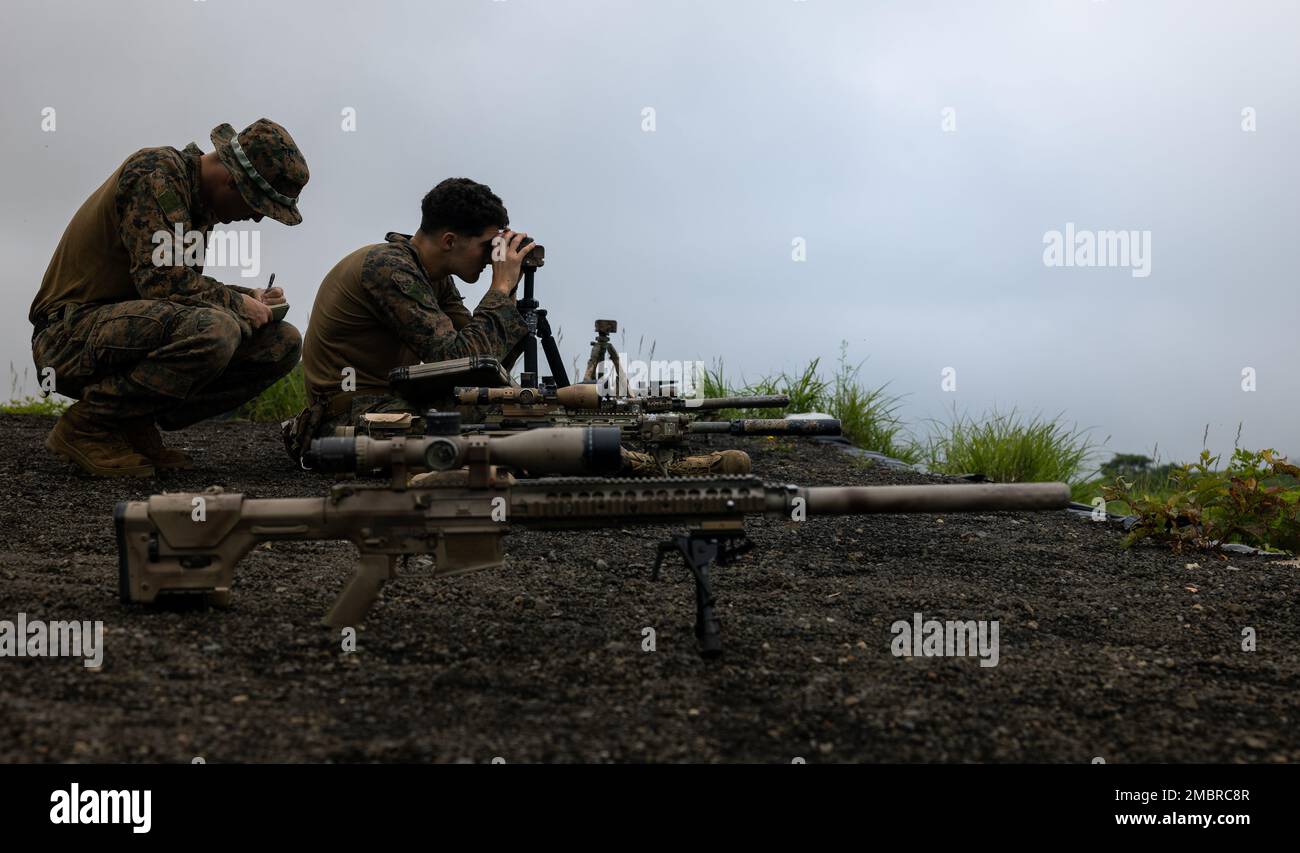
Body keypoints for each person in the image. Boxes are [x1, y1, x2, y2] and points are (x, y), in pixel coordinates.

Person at [31, 118, 308, 477]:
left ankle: (133, 420)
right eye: (258, 206)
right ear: (231, 181)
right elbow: (162, 284)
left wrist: (249, 295)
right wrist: (239, 305)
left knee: (282, 341)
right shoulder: (156, 174)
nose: (256, 218)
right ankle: (89, 425)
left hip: (122, 328)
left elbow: (180, 286)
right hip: (66, 336)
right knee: (216, 330)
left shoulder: (196, 203)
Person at [287, 177, 533, 458]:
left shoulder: (431, 276)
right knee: (477, 443)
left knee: (517, 417)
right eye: (487, 246)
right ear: (449, 241)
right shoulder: (390, 269)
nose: (492, 257)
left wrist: (509, 291)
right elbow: (455, 358)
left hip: (391, 405)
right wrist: (499, 289)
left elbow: (478, 365)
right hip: (349, 418)